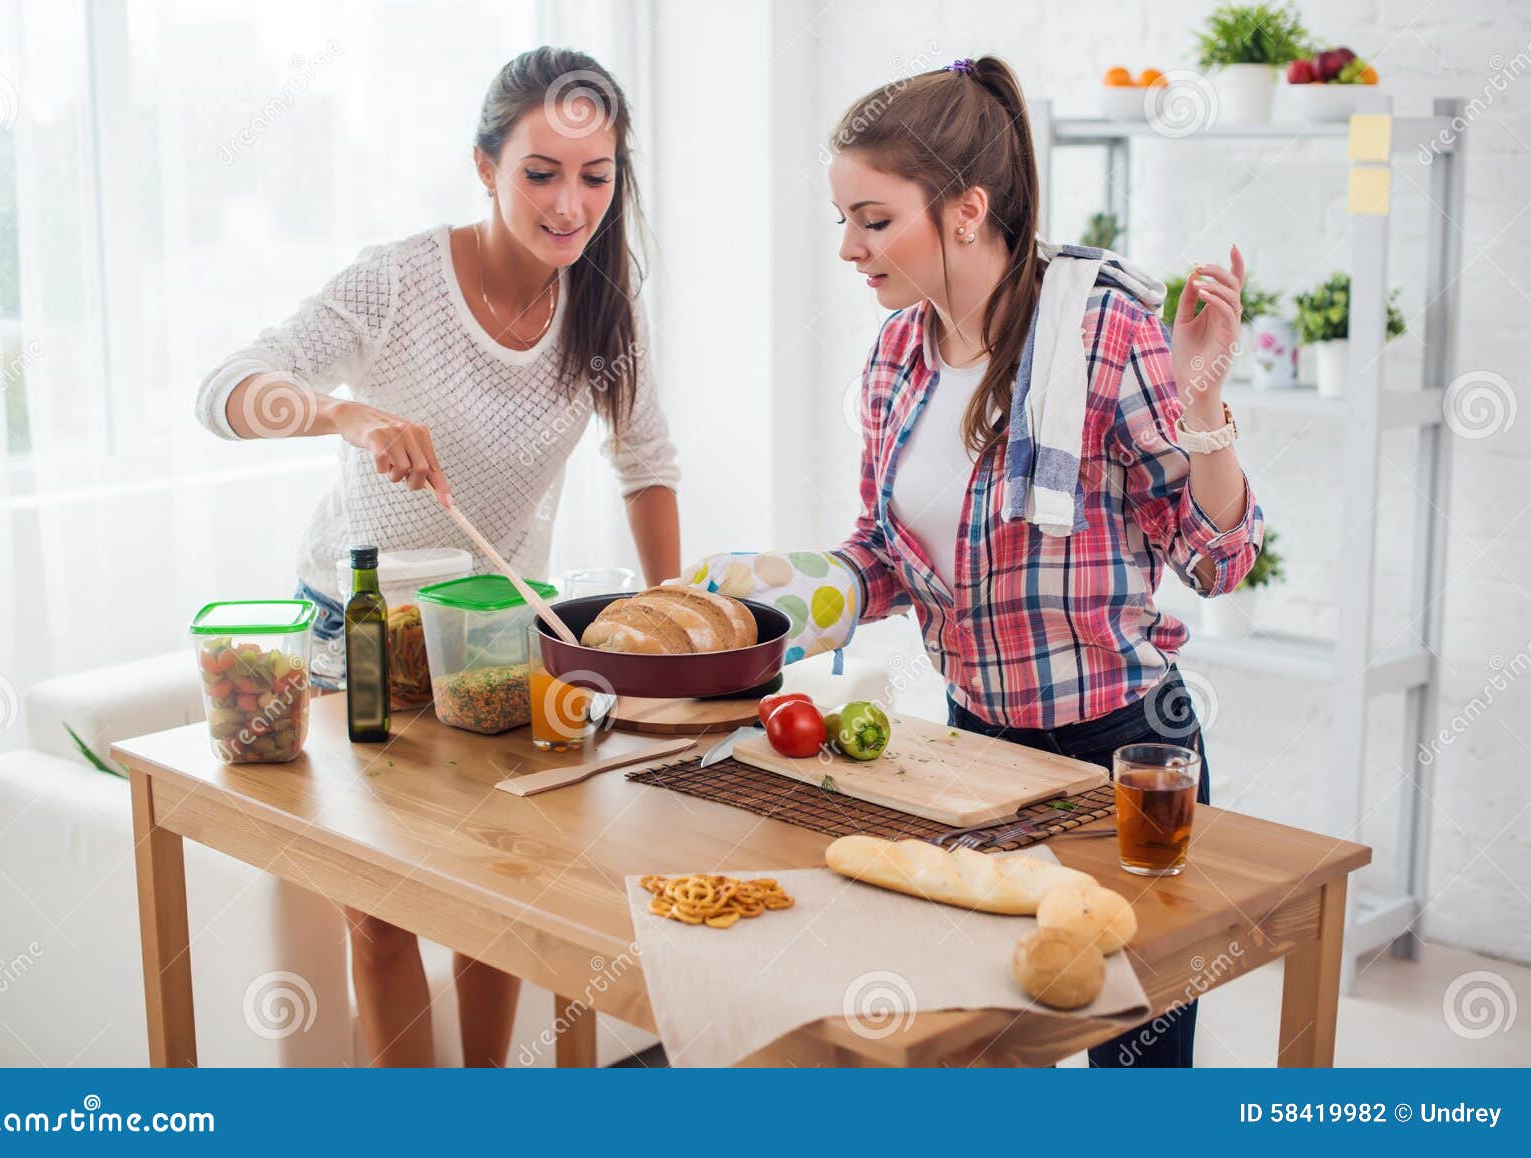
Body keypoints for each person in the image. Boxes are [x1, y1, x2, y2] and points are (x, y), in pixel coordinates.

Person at [689, 55, 1262, 1067]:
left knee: (1134, 1055)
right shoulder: (897, 358)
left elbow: (1217, 562)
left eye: (872, 219)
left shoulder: (1102, 327)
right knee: (987, 1040)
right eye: (841, 219)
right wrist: (766, 601)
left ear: (965, 211)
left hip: (1121, 749)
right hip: (974, 747)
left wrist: (1204, 404)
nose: (847, 248)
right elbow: (885, 554)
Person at [194, 46, 681, 1066]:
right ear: (484, 165)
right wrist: (346, 413)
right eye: (540, 172)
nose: (568, 204)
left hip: (492, 644)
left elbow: (646, 461)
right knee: (379, 916)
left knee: (496, 900)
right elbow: (228, 390)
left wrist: (667, 628)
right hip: (356, 639)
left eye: (596, 177)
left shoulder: (602, 301)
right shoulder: (399, 280)